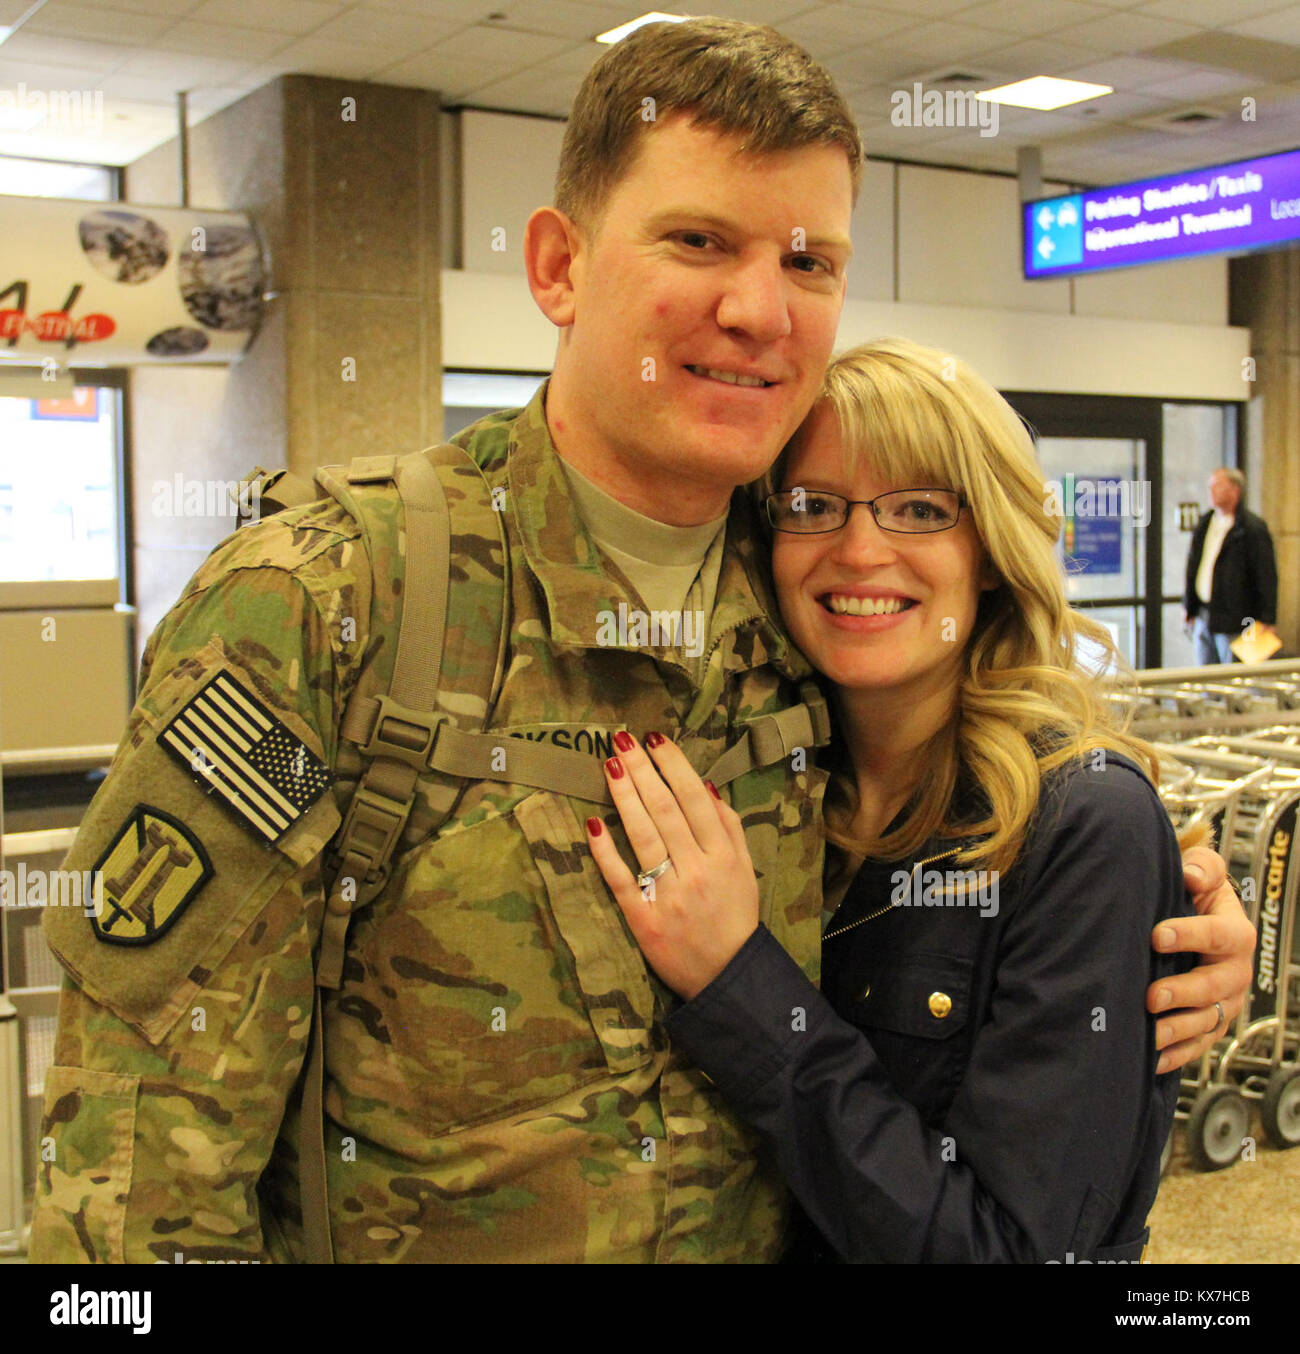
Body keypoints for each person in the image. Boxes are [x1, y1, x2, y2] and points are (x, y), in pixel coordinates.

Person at [30, 20, 1250, 1265]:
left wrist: (1168, 915)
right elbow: (139, 1178)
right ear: (558, 265)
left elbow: (972, 827)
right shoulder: (335, 604)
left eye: (808, 260)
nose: (756, 308)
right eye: (698, 240)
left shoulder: (808, 606)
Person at [587, 339, 1207, 1262]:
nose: (861, 549)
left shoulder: (1079, 828)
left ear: (990, 551)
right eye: (815, 506)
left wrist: (736, 984)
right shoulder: (763, 787)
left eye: (919, 509)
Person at [1183, 467, 1278, 664]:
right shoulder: (1205, 523)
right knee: (1206, 678)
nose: (1211, 491)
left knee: (1235, 678)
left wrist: (1267, 618)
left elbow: (1266, 575)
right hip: (1204, 614)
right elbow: (1193, 566)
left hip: (1237, 619)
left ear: (1235, 491)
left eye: (1217, 486)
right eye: (1210, 486)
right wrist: (1189, 607)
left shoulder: (1251, 528)